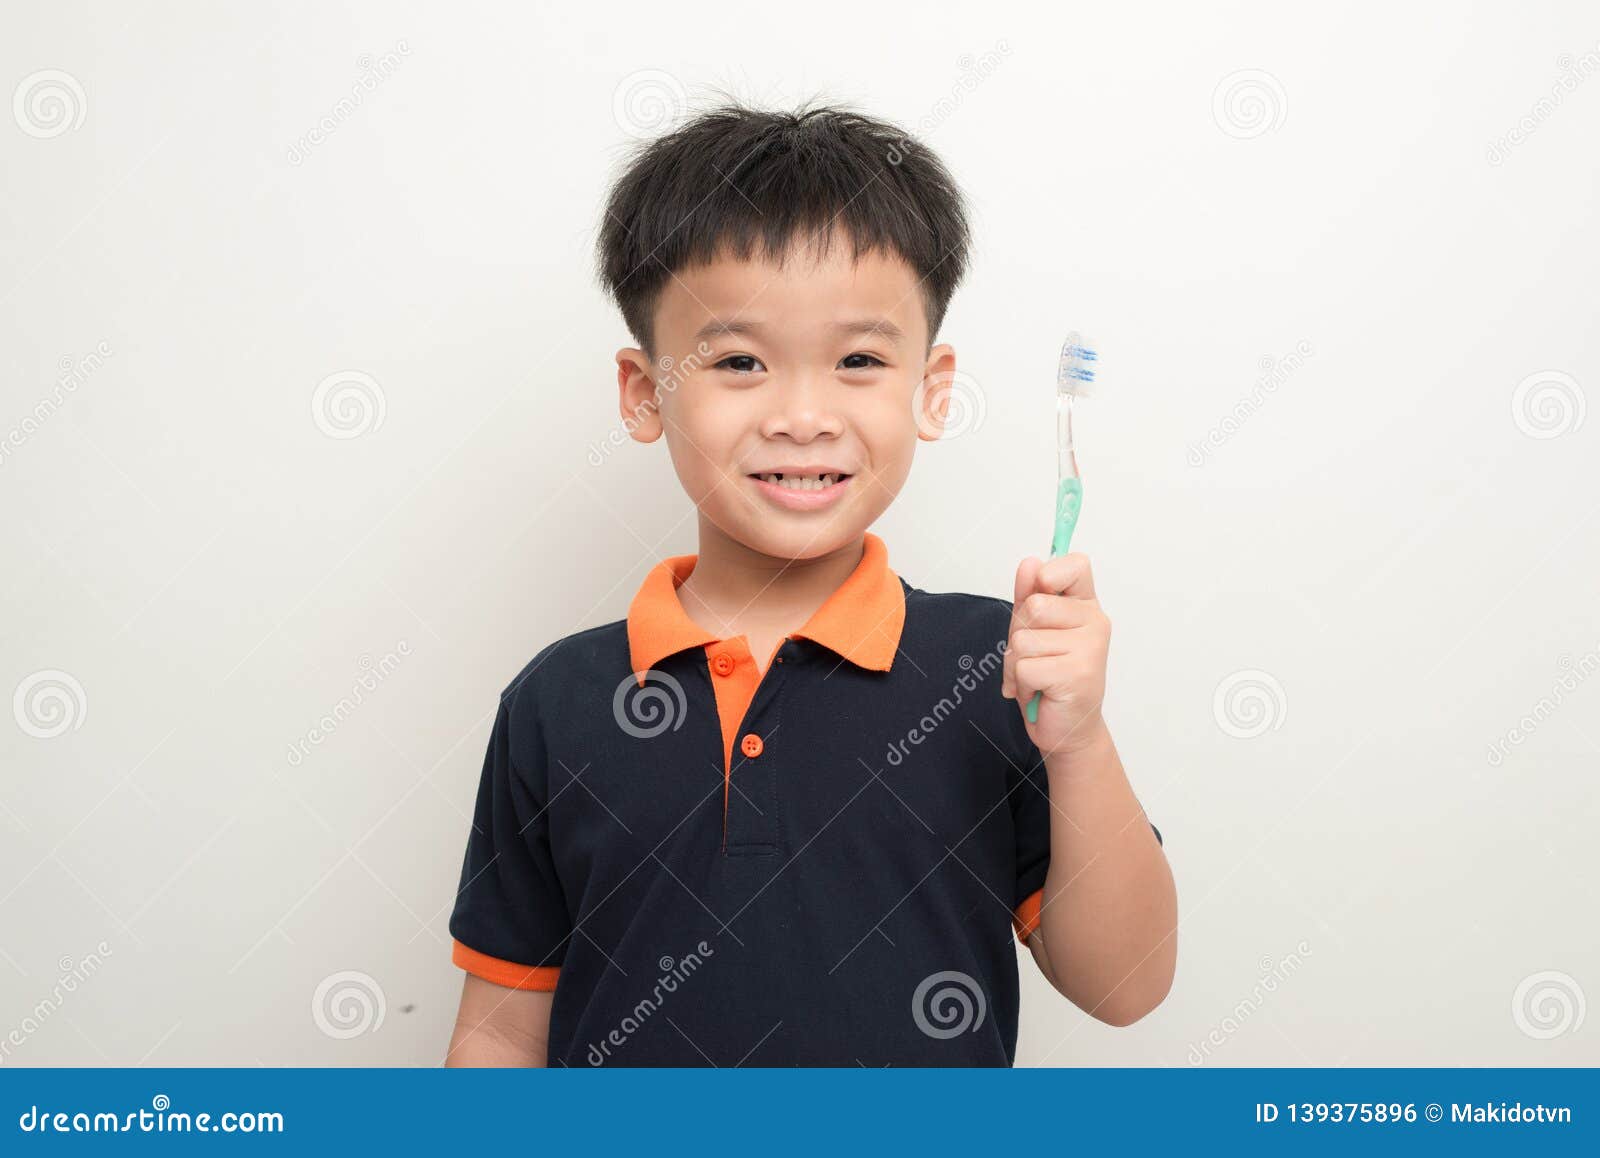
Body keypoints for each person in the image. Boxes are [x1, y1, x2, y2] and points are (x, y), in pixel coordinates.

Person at [444, 100, 1176, 1067]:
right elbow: (499, 1033)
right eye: (739, 360)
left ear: (932, 390)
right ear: (642, 393)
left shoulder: (995, 671)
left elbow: (1125, 987)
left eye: (859, 361)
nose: (802, 415)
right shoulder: (559, 702)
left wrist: (1076, 742)